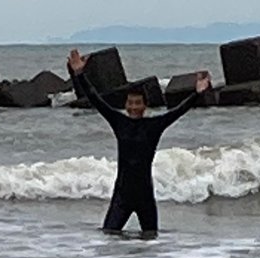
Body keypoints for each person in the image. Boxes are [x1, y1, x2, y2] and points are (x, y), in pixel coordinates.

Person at [67, 48, 212, 236]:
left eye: (138, 103)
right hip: (122, 196)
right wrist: (79, 73)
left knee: (150, 240)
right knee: (109, 237)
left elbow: (179, 110)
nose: (134, 107)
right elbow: (95, 98)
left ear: (145, 105)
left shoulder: (155, 125)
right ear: (126, 105)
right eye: (130, 103)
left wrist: (198, 93)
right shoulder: (119, 122)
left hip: (145, 196)